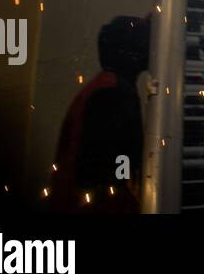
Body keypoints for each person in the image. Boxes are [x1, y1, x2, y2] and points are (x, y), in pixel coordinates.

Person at [49, 15, 150, 212]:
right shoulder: (112, 93)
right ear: (129, 51)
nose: (149, 48)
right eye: (143, 41)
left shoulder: (104, 86)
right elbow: (108, 174)